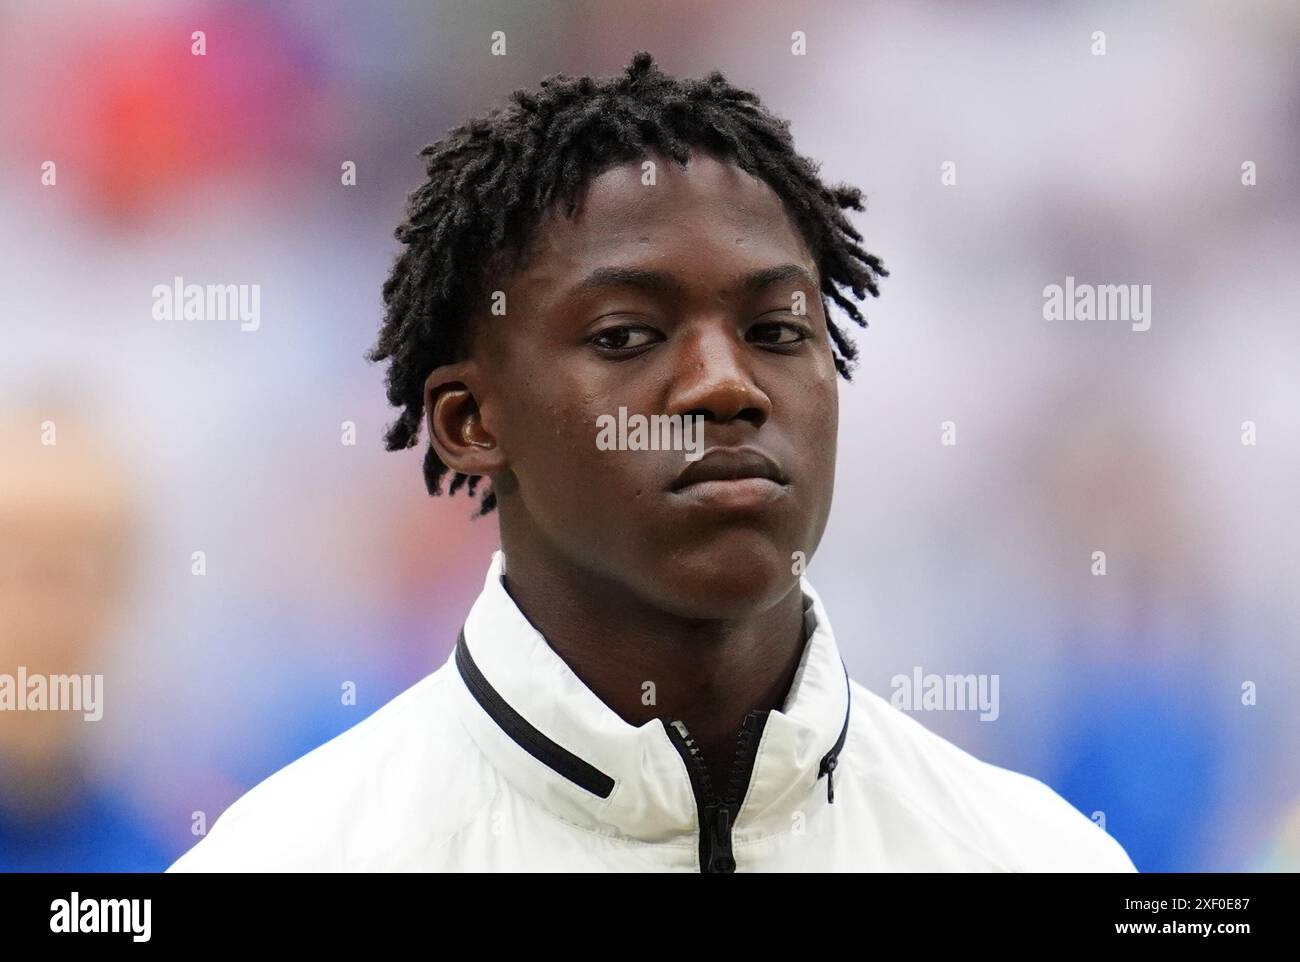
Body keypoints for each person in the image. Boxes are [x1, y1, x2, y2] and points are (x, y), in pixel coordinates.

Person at [168, 51, 1135, 872]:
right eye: (629, 335)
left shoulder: (1034, 854)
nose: (726, 386)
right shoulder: (291, 858)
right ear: (469, 420)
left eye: (775, 329)